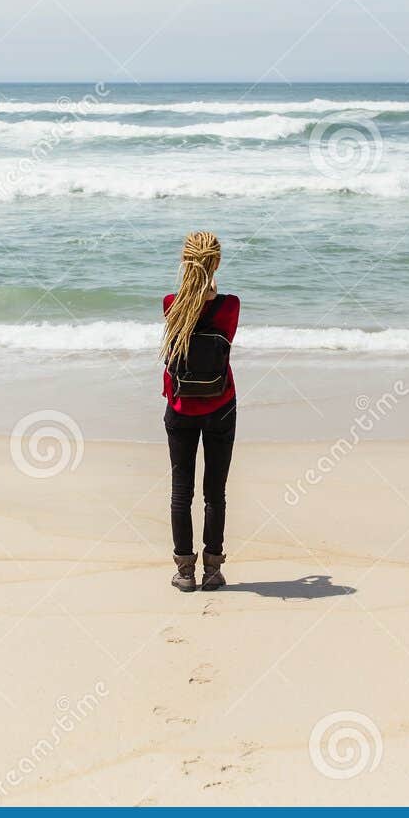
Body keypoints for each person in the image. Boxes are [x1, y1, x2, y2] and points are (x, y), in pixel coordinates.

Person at [160, 231, 239, 592]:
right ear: (217, 263)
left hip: (180, 406)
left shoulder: (170, 304)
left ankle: (185, 571)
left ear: (185, 261)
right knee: (215, 491)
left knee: (181, 490)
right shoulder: (230, 306)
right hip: (221, 404)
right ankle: (213, 569)